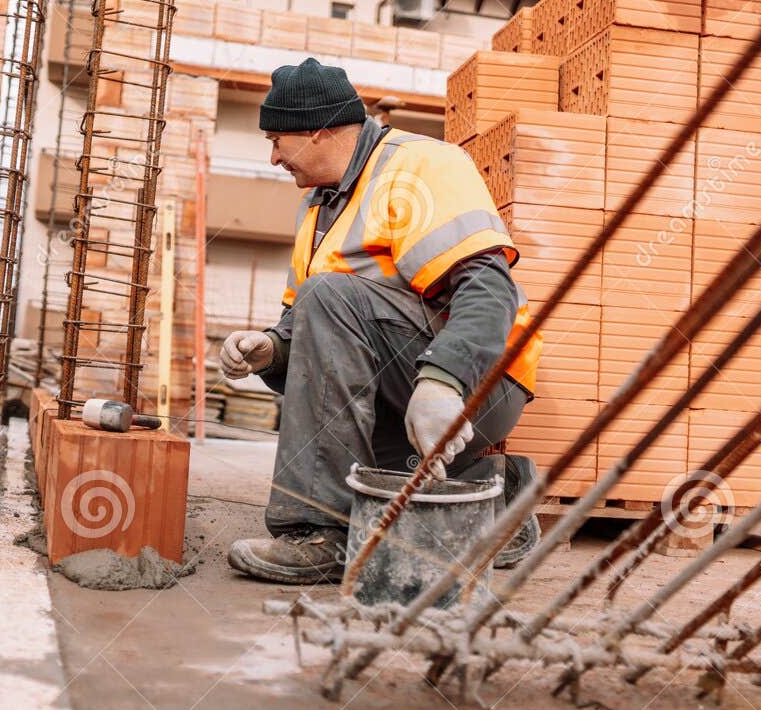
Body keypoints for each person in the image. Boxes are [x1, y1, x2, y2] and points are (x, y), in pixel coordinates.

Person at [221, 57, 543, 585]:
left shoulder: (419, 166)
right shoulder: (318, 207)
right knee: (367, 476)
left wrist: (442, 382)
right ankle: (494, 490)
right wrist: (272, 349)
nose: (274, 157)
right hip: (402, 384)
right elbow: (310, 324)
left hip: (478, 381)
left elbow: (489, 289)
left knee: (329, 296)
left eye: (278, 140)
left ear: (322, 132)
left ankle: (318, 529)